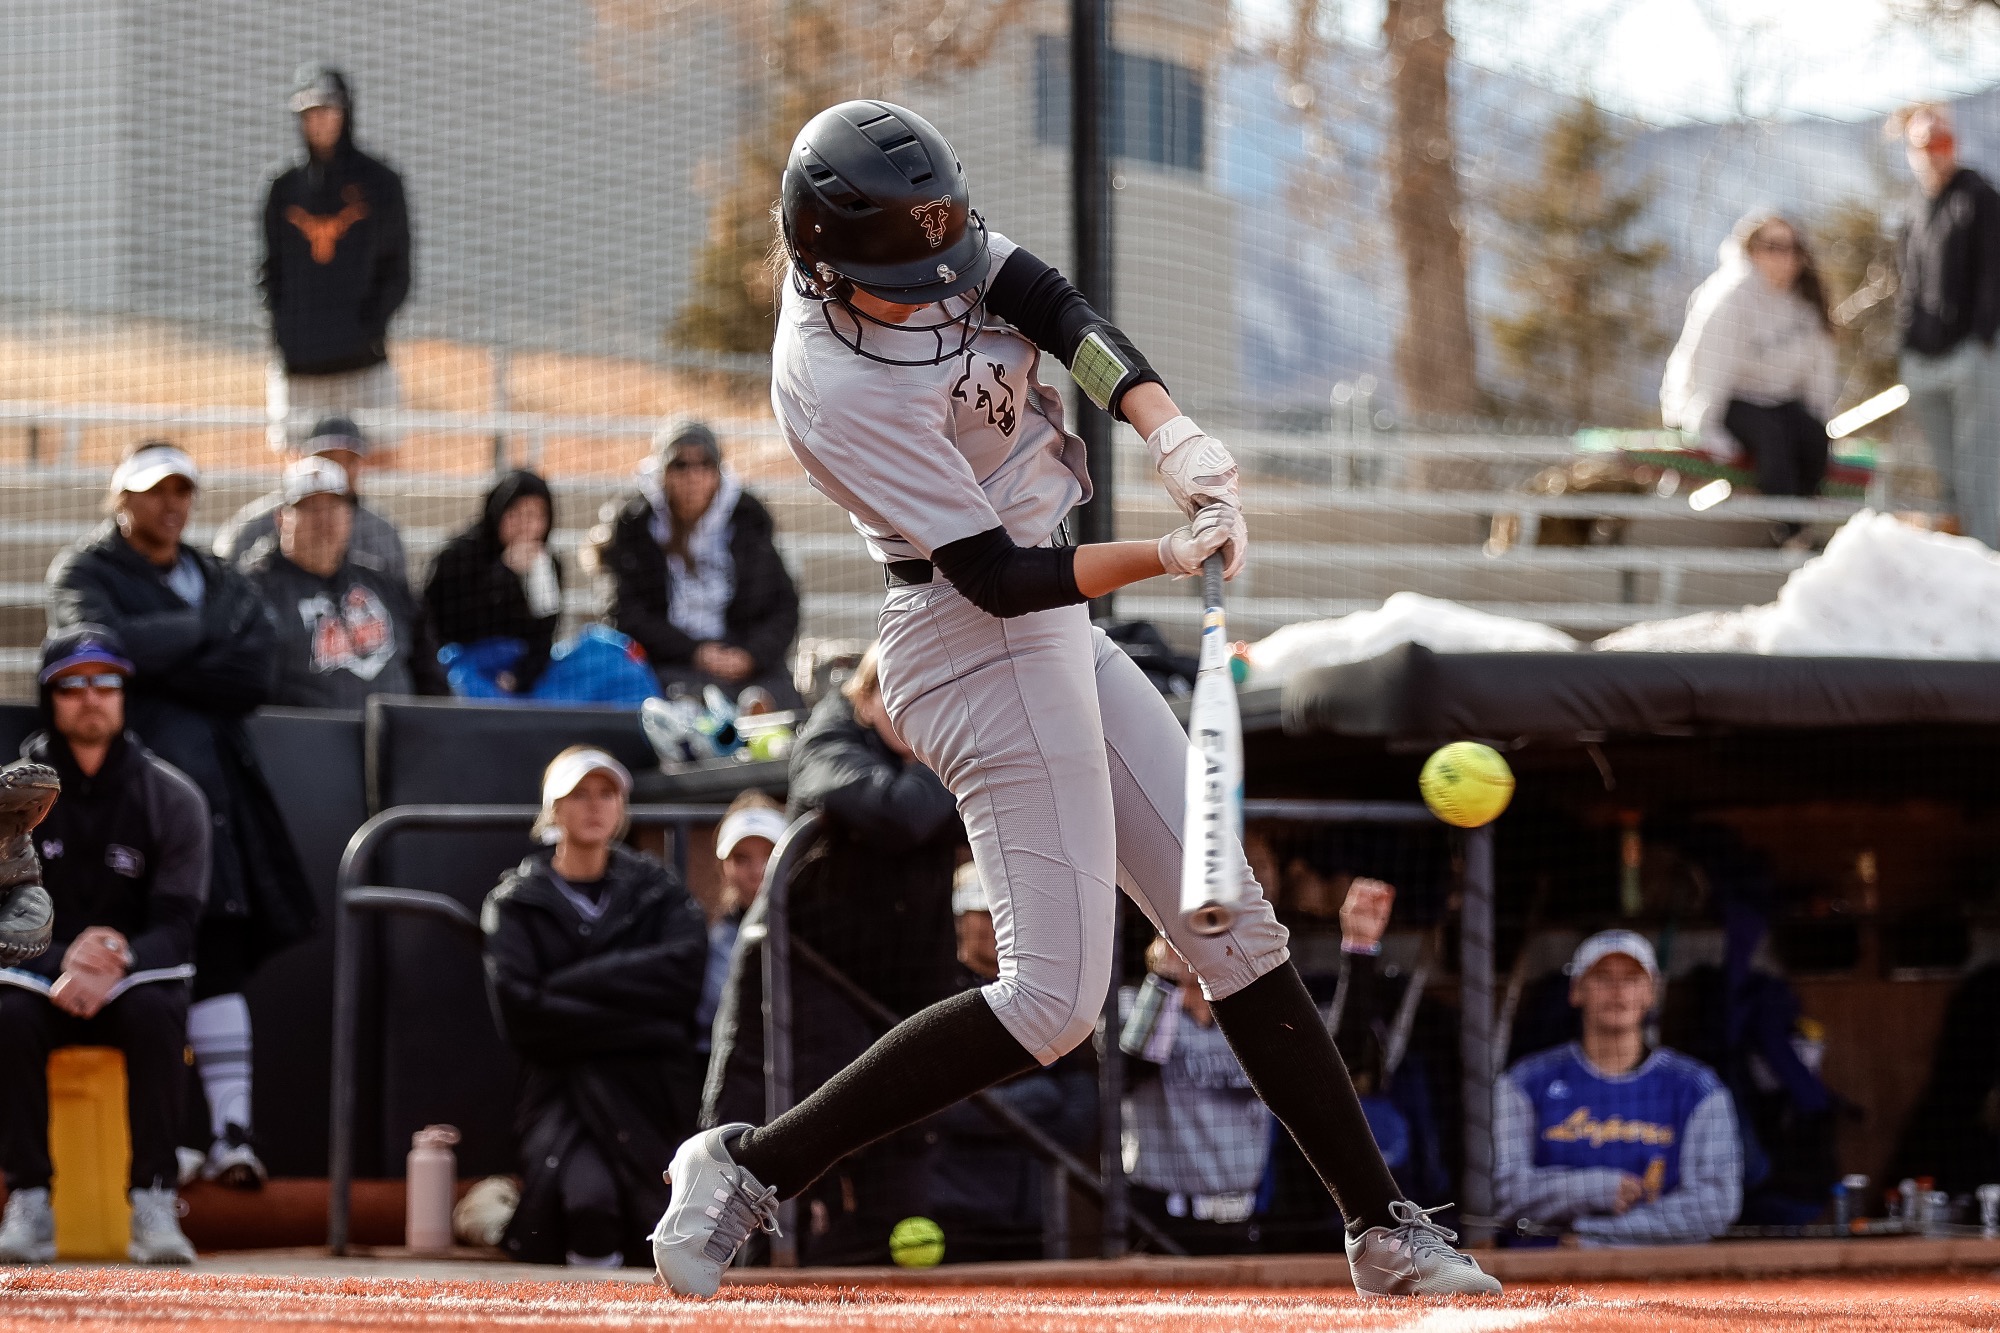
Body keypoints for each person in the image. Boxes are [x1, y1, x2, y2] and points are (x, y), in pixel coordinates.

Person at [649, 100, 1499, 1299]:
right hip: (966, 637)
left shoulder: (929, 236)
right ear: (826, 266)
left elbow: (1058, 313)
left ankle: (1382, 1228)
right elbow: (996, 578)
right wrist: (1162, 555)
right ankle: (747, 1165)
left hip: (1049, 621)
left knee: (1228, 925)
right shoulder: (830, 383)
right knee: (1053, 1003)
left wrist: (1165, 426)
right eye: (904, 282)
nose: (938, 294)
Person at [45, 442, 316, 1191]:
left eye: (182, 490)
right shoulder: (84, 569)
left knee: (216, 947)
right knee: (123, 955)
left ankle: (232, 1135)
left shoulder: (217, 573)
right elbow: (96, 649)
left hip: (219, 796)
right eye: (155, 490)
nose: (171, 504)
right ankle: (146, 1153)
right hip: (117, 791)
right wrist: (200, 630)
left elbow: (257, 667)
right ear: (121, 498)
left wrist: (157, 649)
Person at [701, 642, 962, 1265]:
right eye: (898, 698)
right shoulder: (828, 737)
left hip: (898, 989)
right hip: (799, 983)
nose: (915, 715)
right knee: (767, 1152)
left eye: (927, 702)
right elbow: (903, 813)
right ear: (864, 698)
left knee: (898, 1169)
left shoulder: (935, 751)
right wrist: (939, 767)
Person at [0, 626, 208, 1264]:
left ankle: (153, 1199)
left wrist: (116, 955)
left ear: (124, 695)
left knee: (159, 1011)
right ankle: (29, 1200)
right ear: (49, 698)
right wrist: (63, 957)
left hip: (129, 979)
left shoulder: (172, 796)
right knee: (7, 1015)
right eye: (72, 686)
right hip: (38, 976)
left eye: (105, 682)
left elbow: (178, 922)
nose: (91, 697)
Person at [481, 748, 709, 1267]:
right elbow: (522, 1015)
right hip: (560, 1094)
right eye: (579, 794)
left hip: (650, 1094)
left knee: (654, 1221)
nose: (594, 805)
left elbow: (682, 982)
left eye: (607, 793)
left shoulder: (659, 891)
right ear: (553, 808)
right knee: (589, 1207)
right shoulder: (514, 900)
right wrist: (641, 1021)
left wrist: (566, 985)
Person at [1495, 931, 1742, 1246]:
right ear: (1576, 991)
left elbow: (1717, 1203)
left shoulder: (1697, 1087)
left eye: (1632, 979)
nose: (1618, 990)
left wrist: (1597, 1235)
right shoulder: (1525, 1081)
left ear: (1651, 993)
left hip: (1661, 1271)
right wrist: (1594, 1188)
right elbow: (1500, 1193)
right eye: (1602, 977)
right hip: (1541, 1267)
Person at [927, 863, 1097, 1262]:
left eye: (1006, 915)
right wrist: (1040, 1095)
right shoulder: (936, 996)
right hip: (953, 1209)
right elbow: (940, 1110)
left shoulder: (1050, 997)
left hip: (1035, 1210)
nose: (997, 926)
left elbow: (1080, 1114)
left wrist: (998, 1112)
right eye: (984, 914)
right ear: (959, 920)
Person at [260, 62, 412, 449]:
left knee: (379, 456)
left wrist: (368, 328)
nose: (319, 122)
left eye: (328, 110)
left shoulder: (381, 184)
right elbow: (270, 270)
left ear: (346, 112)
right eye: (310, 112)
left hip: (363, 363)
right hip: (300, 365)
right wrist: (286, 330)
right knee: (300, 461)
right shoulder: (283, 188)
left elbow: (397, 270)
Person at [601, 421, 803, 707]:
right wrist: (694, 652)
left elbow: (783, 606)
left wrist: (750, 656)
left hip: (743, 659)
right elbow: (624, 612)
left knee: (773, 708)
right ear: (662, 472)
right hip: (667, 661)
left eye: (705, 464)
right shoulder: (635, 524)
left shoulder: (747, 520)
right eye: (680, 465)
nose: (693, 477)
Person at [1661, 212, 1838, 510]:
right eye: (1774, 247)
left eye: (1794, 248)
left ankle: (1802, 522)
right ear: (1752, 249)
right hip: (1730, 401)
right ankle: (1782, 522)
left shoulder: (1807, 301)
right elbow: (1709, 370)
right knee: (1773, 442)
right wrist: (1705, 429)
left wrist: (1819, 416)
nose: (1786, 258)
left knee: (1812, 438)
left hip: (1781, 401)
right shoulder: (1728, 297)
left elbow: (1819, 373)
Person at [244, 458, 446, 708]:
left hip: (395, 730)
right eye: (310, 507)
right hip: (304, 731)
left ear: (350, 516)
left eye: (335, 506)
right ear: (281, 519)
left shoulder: (383, 583)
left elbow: (429, 675)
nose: (324, 520)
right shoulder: (254, 592)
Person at [1121, 934, 1272, 1254]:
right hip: (1161, 1215)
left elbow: (1334, 1061)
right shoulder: (1132, 1004)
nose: (1193, 946)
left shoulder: (1254, 1019)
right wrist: (1166, 976)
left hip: (1243, 1216)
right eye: (1178, 936)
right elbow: (1129, 1070)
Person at [1894, 104, 2000, 548]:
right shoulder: (1913, 208)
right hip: (1923, 358)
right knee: (1948, 474)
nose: (1936, 153)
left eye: (1944, 142)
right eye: (1925, 144)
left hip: (1972, 355)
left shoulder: (1979, 197)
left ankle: (1989, 561)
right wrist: (1906, 345)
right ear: (1910, 150)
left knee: (1982, 472)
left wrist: (1982, 338)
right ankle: (1961, 562)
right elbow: (1909, 282)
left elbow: (1993, 272)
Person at [215, 415, 408, 584]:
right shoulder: (253, 527)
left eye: (348, 460)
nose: (339, 468)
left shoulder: (384, 533)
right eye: (327, 458)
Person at [423, 470, 564, 696]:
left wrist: (518, 678)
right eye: (516, 514)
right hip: (459, 668)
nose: (525, 526)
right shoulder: (458, 557)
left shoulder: (546, 565)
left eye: (535, 516)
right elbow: (445, 626)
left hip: (514, 678)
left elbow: (543, 638)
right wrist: (504, 574)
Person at [694, 791, 787, 1054]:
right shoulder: (711, 943)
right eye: (742, 858)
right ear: (723, 867)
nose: (757, 871)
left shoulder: (818, 933)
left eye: (770, 855)